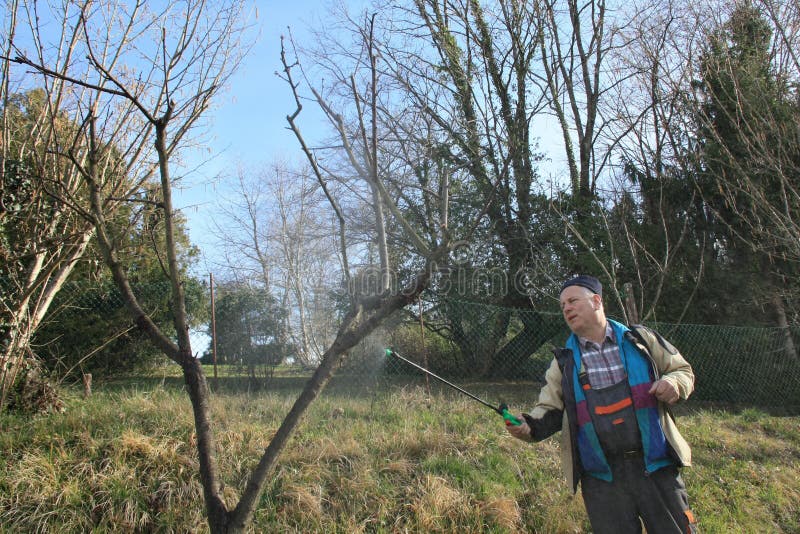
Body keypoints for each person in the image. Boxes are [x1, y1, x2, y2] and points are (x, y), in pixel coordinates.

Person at [507, 275, 697, 533]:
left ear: (597, 301)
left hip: (657, 467)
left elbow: (682, 371)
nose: (567, 309)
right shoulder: (563, 362)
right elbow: (548, 411)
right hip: (602, 480)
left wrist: (674, 383)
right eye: (563, 305)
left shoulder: (640, 340)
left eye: (573, 301)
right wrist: (527, 427)